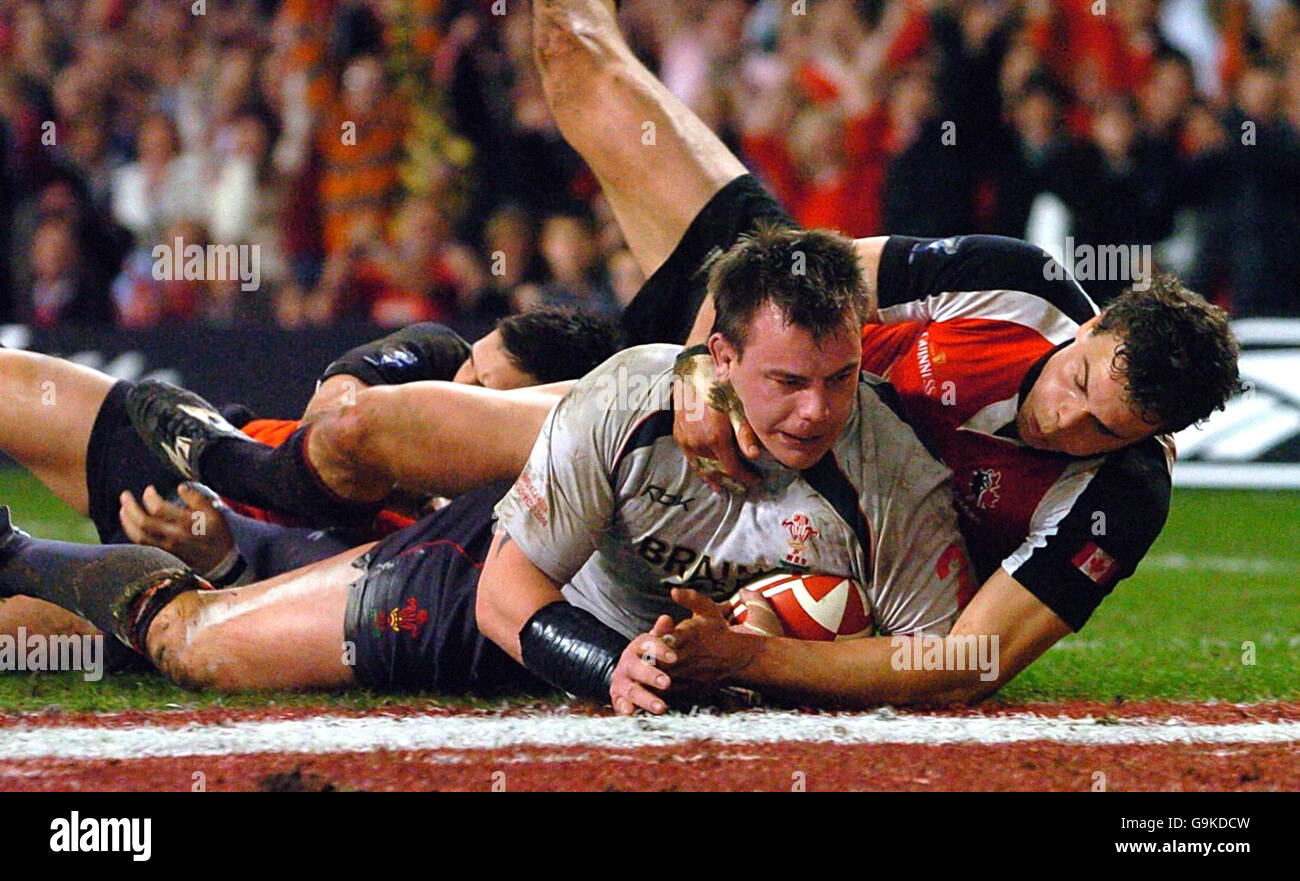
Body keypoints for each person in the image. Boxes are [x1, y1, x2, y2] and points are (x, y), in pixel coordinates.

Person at [521, 0, 1239, 701]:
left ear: (1153, 439)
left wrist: (755, 657)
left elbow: (967, 662)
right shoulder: (1021, 284)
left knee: (525, 429)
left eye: (1105, 428)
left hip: (810, 536)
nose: (1063, 416)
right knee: (578, 65)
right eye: (1078, 379)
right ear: (1090, 325)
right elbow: (796, 264)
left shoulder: (1124, 495)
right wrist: (701, 372)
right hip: (768, 375)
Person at [0, 225, 972, 707]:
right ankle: (118, 514)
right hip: (466, 570)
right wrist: (613, 669)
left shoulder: (892, 472)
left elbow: (947, 660)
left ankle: (68, 563)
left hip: (504, 567)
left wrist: (762, 656)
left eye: (840, 378)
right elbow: (504, 590)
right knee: (201, 638)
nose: (817, 409)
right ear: (717, 356)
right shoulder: (620, 401)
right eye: (787, 381)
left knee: (116, 639)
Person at [0, 310, 622, 669]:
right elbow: (331, 418)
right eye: (472, 366)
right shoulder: (435, 356)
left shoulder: (506, 534)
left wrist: (225, 554)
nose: (461, 387)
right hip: (175, 455)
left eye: (486, 390)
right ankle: (225, 460)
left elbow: (328, 604)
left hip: (212, 578)